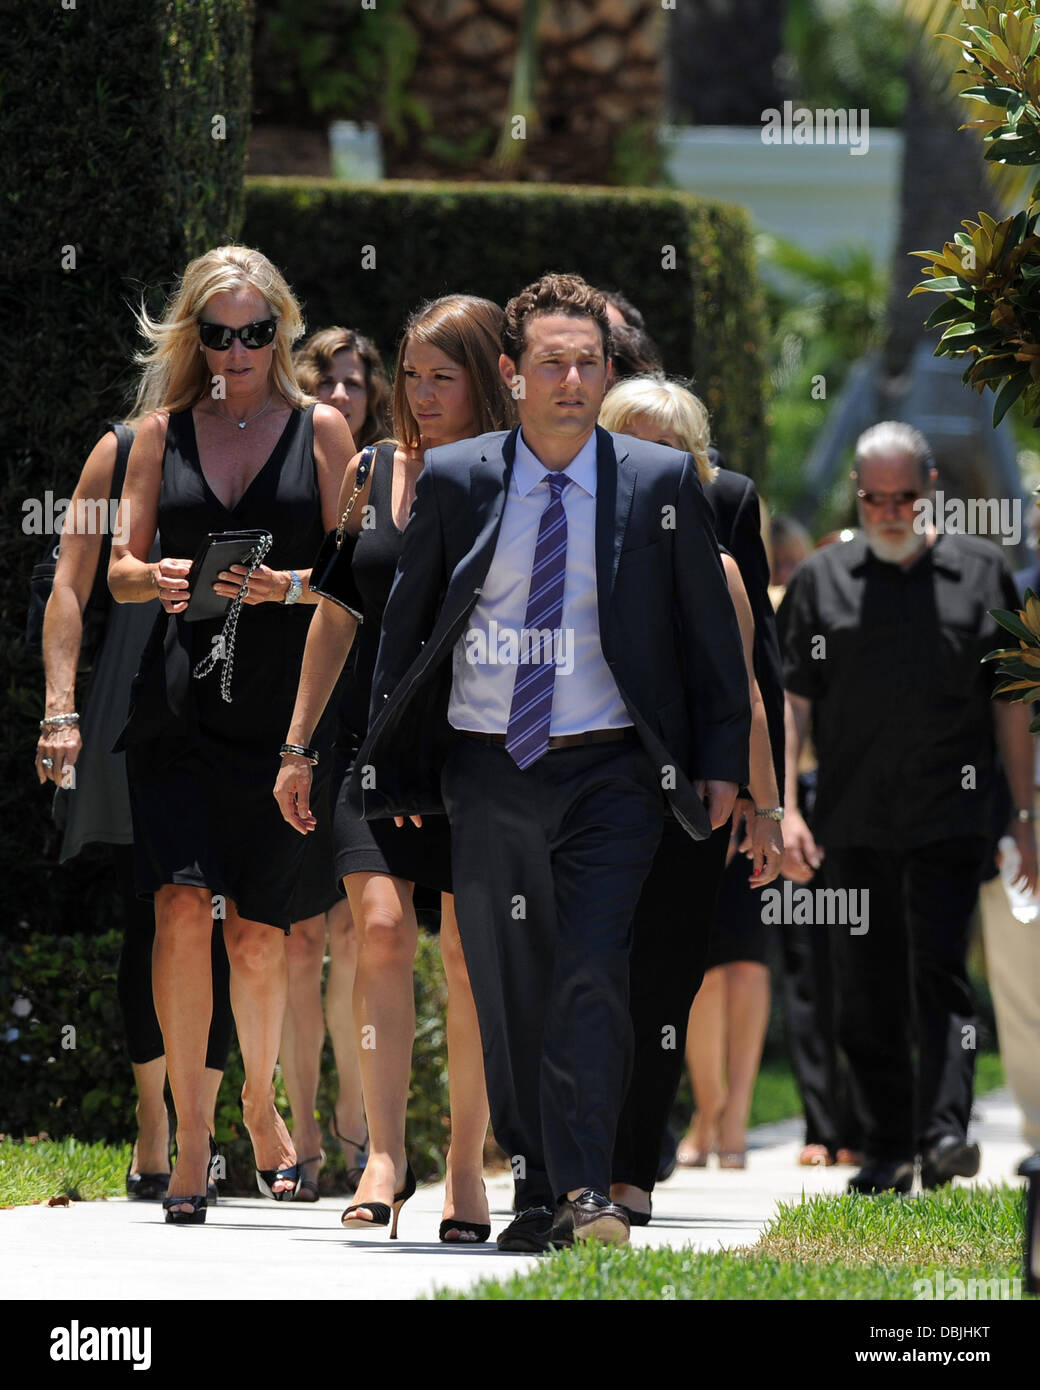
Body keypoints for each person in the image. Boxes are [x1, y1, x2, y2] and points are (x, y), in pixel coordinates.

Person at [348, 273, 751, 1250]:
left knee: (588, 970)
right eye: (550, 363)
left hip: (610, 771)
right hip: (488, 770)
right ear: (511, 373)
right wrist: (386, 767)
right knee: (505, 984)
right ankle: (534, 1187)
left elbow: (709, 642)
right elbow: (402, 640)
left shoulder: (656, 485)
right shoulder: (458, 479)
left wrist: (722, 767)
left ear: (606, 370)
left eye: (587, 362)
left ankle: (584, 1192)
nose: (571, 379)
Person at [109, 244, 353, 1222]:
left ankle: (260, 1101)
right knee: (178, 907)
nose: (238, 350)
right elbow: (119, 566)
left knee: (256, 936)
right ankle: (192, 1140)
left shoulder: (322, 430)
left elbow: (351, 572)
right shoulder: (156, 435)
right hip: (178, 703)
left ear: (280, 333)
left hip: (280, 710)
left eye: (256, 332)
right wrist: (157, 577)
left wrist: (284, 585)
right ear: (194, 337)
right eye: (220, 333)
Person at [275, 295, 515, 1241]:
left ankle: (465, 1164)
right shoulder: (372, 470)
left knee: (464, 955)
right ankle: (382, 1150)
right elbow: (335, 610)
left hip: (475, 745)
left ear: (491, 377)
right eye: (409, 375)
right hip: (369, 743)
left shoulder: (517, 479)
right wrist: (297, 744)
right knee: (376, 931)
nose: (418, 395)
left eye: (440, 377)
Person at [780, 421, 1037, 1194]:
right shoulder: (823, 582)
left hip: (953, 817)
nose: (891, 512)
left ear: (931, 486)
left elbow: (1012, 703)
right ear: (857, 496)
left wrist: (1024, 816)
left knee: (940, 974)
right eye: (875, 499)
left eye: (905, 496)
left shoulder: (984, 572)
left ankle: (945, 1133)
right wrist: (786, 806)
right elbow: (793, 701)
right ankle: (888, 1147)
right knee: (864, 984)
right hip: (851, 821)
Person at [598, 378, 784, 1211]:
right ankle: (570, 1156)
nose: (651, 465)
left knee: (665, 983)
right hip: (582, 789)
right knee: (584, 975)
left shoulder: (718, 564)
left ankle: (632, 1167)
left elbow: (746, 691)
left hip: (687, 805)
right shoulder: (562, 547)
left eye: (670, 451)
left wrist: (768, 806)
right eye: (634, 445)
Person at [36, 422, 233, 1198]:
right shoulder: (119, 451)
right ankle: (155, 1119)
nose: (229, 354)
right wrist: (59, 708)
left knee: (227, 922)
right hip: (138, 699)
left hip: (238, 700)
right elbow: (68, 583)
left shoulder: (274, 432)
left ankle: (200, 1130)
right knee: (151, 909)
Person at [278, 326, 393, 1198]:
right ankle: (301, 1125)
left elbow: (347, 581)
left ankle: (361, 1128)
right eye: (328, 381)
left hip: (365, 705)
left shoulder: (386, 475)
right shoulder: (291, 449)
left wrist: (287, 585)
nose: (342, 397)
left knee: (360, 927)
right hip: (280, 699)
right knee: (294, 935)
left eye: (356, 383)